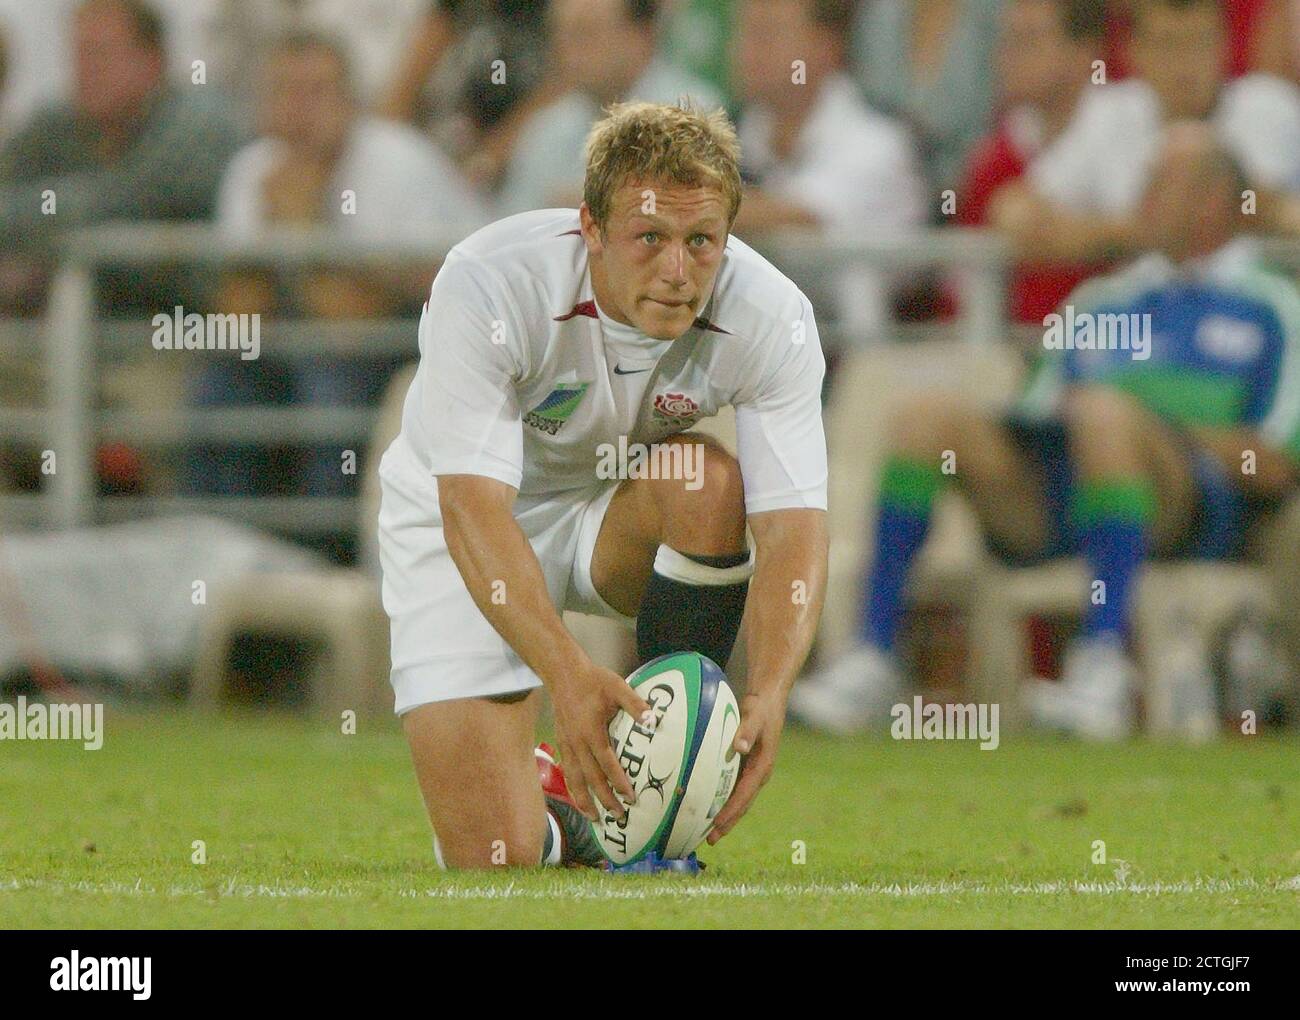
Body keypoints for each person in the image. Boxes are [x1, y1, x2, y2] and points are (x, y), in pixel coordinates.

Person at [378, 101, 829, 868]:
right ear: (590, 227)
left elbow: (793, 525)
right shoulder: (490, 284)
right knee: (497, 859)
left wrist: (772, 690)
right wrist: (566, 672)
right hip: (464, 528)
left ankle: (650, 808)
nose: (678, 271)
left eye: (702, 241)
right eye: (650, 238)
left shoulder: (772, 316)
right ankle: (555, 808)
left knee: (707, 481)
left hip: (607, 518)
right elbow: (473, 507)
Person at [789, 122, 1300, 740]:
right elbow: (1039, 409)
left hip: (1188, 510)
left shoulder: (1271, 305)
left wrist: (1151, 429)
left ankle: (1103, 665)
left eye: (1164, 181)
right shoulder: (1102, 298)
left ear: (1218, 200)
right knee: (923, 419)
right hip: (1065, 495)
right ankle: (870, 658)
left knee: (1103, 416)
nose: (1142, 194)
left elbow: (1276, 461)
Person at [185, 30, 488, 504]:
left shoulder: (397, 162)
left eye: (316, 92)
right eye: (284, 91)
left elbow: (354, 321)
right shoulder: (251, 170)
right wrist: (267, 245)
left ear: (350, 101)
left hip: (409, 342)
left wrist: (305, 226)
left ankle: (330, 554)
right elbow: (237, 315)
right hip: (300, 340)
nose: (298, 109)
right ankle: (224, 543)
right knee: (220, 389)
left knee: (327, 389)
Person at [732, 0, 926, 342]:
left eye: (768, 33)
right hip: (760, 358)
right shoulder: (733, 132)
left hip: (872, 365)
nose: (748, 48)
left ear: (827, 46)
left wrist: (678, 205)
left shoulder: (878, 140)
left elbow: (799, 214)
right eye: (746, 31)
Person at [956, 0, 1109, 324]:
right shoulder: (994, 156)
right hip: (1016, 346)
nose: (1008, 57)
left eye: (1028, 40)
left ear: (1082, 52)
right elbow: (962, 287)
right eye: (1006, 40)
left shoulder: (1125, 129)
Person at [495, 0, 723, 215]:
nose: (568, 51)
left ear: (640, 35)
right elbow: (515, 229)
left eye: (586, 33)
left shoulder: (695, 113)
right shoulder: (547, 129)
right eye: (561, 34)